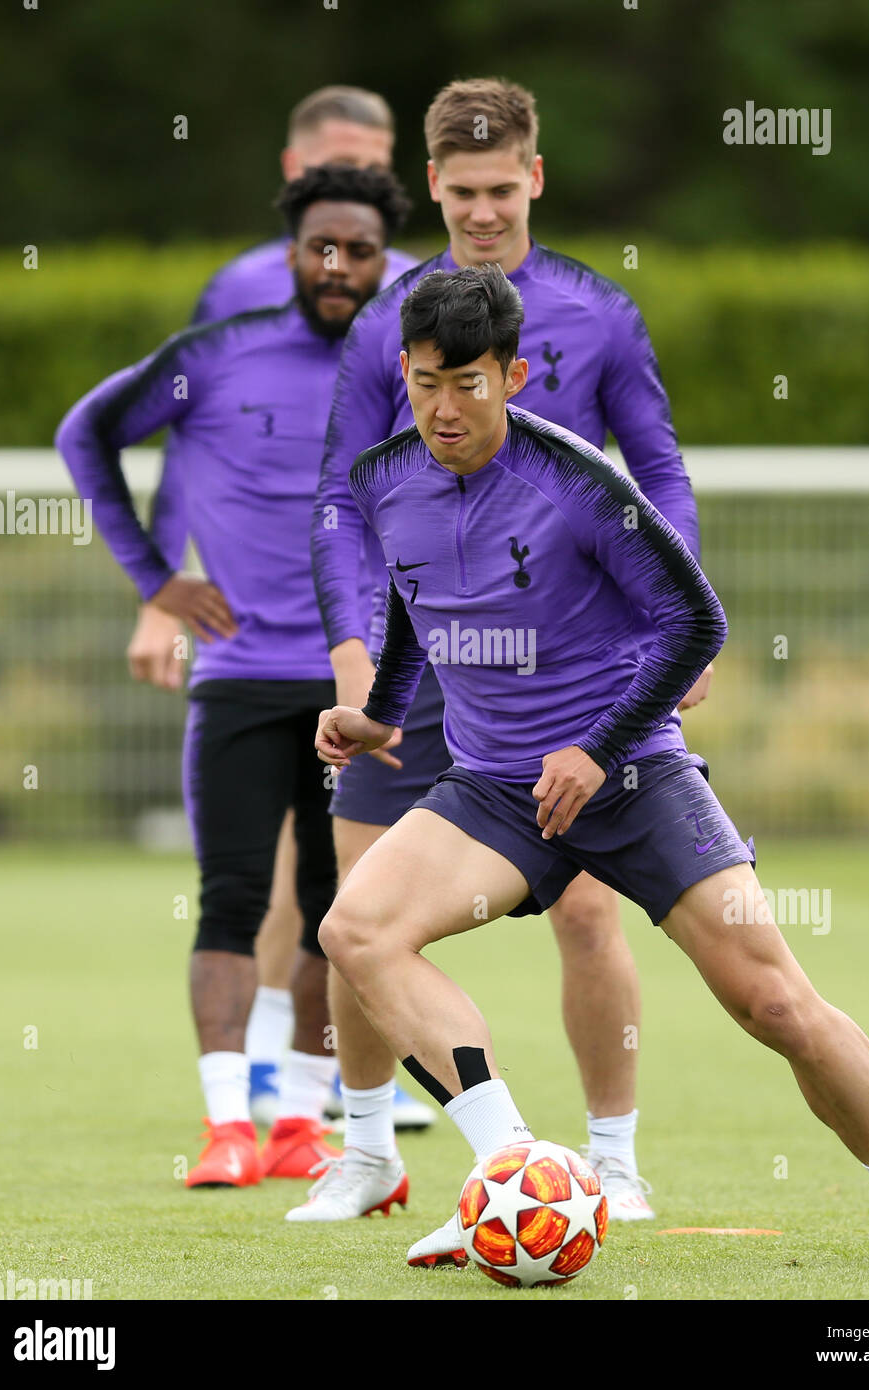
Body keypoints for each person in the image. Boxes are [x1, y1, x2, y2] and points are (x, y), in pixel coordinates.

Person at [315, 264, 869, 1270]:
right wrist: (376, 715)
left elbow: (693, 620)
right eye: (425, 383)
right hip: (493, 787)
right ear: (402, 371)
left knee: (774, 1003)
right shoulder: (380, 483)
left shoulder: (579, 485)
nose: (444, 408)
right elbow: (410, 607)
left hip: (631, 775)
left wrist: (594, 747)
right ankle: (513, 1168)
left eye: (468, 384)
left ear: (515, 374)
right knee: (356, 929)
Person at [298, 77, 709, 1236]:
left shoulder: (598, 314)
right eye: (460, 192)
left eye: (501, 189)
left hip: (567, 668)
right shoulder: (391, 320)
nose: (481, 212)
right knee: (362, 900)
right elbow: (340, 494)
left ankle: (610, 1163)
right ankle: (368, 1151)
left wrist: (668, 623)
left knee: (586, 915)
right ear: (430, 184)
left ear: (534, 177)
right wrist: (351, 656)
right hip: (419, 657)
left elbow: (658, 472)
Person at [56, 165, 417, 1187]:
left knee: (332, 903)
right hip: (239, 678)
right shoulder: (212, 359)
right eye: (321, 246)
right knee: (229, 896)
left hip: (358, 685)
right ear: (291, 254)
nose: (338, 265)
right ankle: (226, 1126)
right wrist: (154, 580)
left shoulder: (403, 367)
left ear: (383, 260)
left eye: (359, 250)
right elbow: (85, 434)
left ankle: (303, 1121)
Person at [122, 85, 432, 1131]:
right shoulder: (241, 294)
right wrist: (161, 596)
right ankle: (262, 1058)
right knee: (261, 865)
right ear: (294, 174)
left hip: (377, 635)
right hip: (257, 638)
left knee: (363, 857)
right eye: (333, 164)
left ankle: (353, 1063)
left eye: (377, 163)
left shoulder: (412, 297)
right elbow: (186, 439)